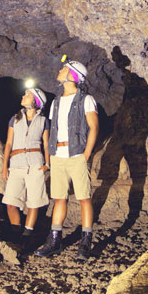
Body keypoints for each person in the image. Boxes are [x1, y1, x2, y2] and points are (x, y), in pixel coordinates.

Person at [35, 59, 100, 259]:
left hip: (76, 154)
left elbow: (93, 127)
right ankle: (54, 241)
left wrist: (86, 154)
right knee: (59, 198)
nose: (60, 71)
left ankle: (85, 241)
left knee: (83, 197)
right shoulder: (56, 102)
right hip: (58, 155)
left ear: (72, 75)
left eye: (64, 69)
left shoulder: (85, 99)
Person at [1, 86, 50, 245]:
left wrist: (47, 164)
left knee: (34, 202)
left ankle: (26, 236)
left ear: (36, 101)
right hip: (16, 163)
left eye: (28, 94)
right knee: (10, 202)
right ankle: (16, 232)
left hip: (35, 163)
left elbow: (46, 143)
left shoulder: (43, 121)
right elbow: (8, 143)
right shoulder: (15, 119)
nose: (24, 96)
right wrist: (4, 166)